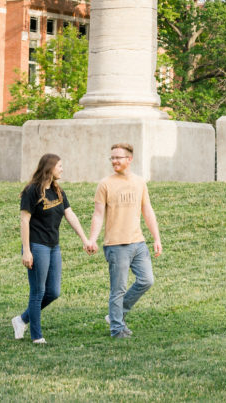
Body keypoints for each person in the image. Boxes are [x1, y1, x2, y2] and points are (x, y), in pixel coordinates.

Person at [12, 153, 94, 344]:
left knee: (53, 292)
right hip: (37, 245)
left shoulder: (57, 190)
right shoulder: (32, 191)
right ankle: (36, 336)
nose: (62, 169)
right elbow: (24, 220)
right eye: (59, 166)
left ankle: (21, 319)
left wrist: (85, 239)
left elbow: (70, 214)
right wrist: (26, 250)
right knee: (38, 291)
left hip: (53, 247)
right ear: (49, 168)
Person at [88, 142, 162, 339]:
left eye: (118, 157)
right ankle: (117, 329)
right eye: (112, 157)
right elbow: (97, 215)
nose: (114, 161)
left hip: (138, 242)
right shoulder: (105, 184)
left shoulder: (139, 182)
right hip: (116, 245)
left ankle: (116, 315)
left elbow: (147, 210)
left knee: (147, 280)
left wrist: (156, 237)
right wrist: (92, 239)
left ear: (129, 159)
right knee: (118, 289)